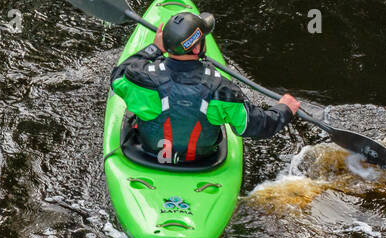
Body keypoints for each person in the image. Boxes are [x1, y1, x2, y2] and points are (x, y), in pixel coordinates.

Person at [109, 11, 299, 165]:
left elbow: (117, 76)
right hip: (202, 163)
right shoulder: (221, 89)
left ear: (168, 46)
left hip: (148, 155)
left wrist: (154, 49)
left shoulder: (141, 79)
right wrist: (284, 110)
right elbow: (256, 125)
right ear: (197, 49)